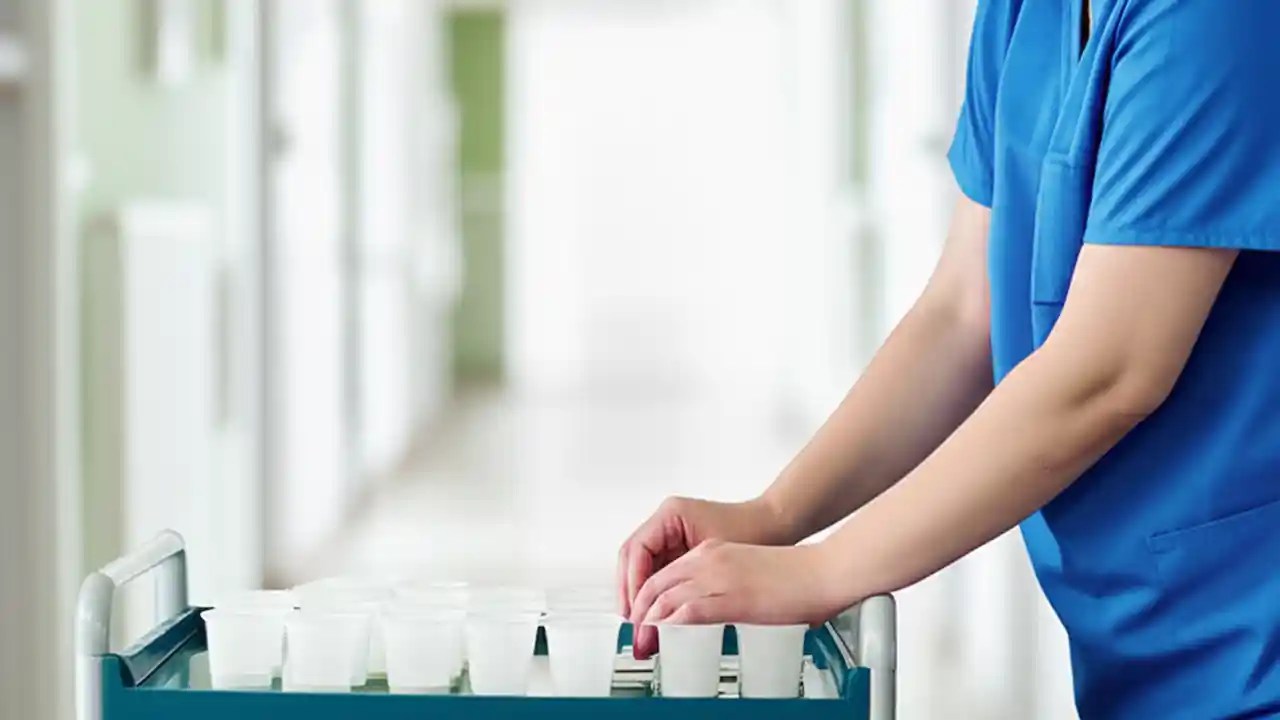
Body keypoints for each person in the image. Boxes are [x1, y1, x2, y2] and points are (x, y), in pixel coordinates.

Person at [616, 0, 1280, 717]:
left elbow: (1110, 371)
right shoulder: (1023, 14)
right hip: (1146, 645)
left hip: (1253, 641)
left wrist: (820, 572)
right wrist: (773, 517)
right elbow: (964, 314)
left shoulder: (1218, 14)